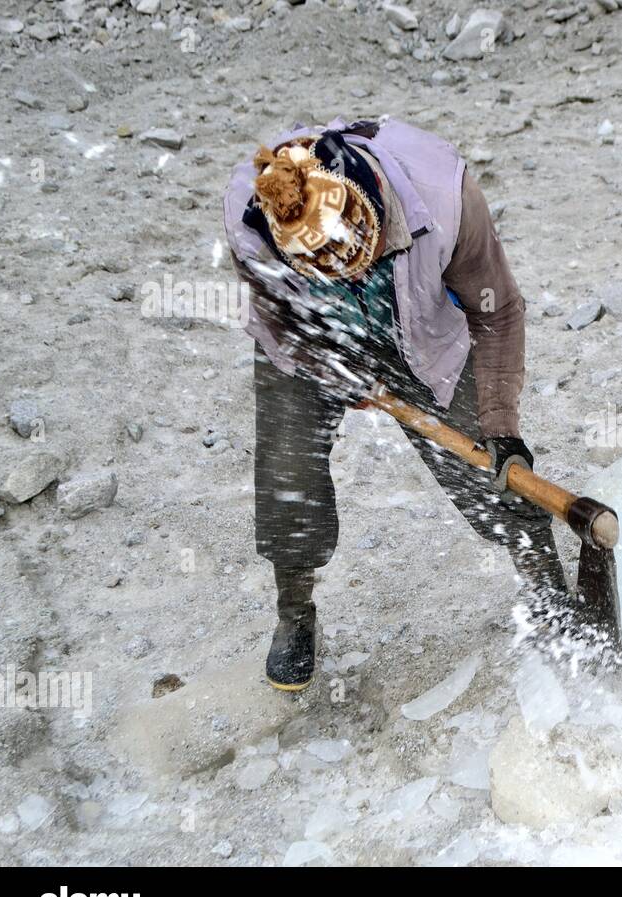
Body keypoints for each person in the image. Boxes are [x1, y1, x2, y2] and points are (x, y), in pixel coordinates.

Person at [223, 118, 567, 691]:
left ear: (376, 203)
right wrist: (328, 364)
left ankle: (549, 591)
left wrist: (502, 426)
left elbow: (497, 310)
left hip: (421, 332)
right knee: (289, 478)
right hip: (311, 341)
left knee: (489, 470)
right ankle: (294, 612)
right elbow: (275, 318)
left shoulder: (445, 195)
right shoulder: (251, 222)